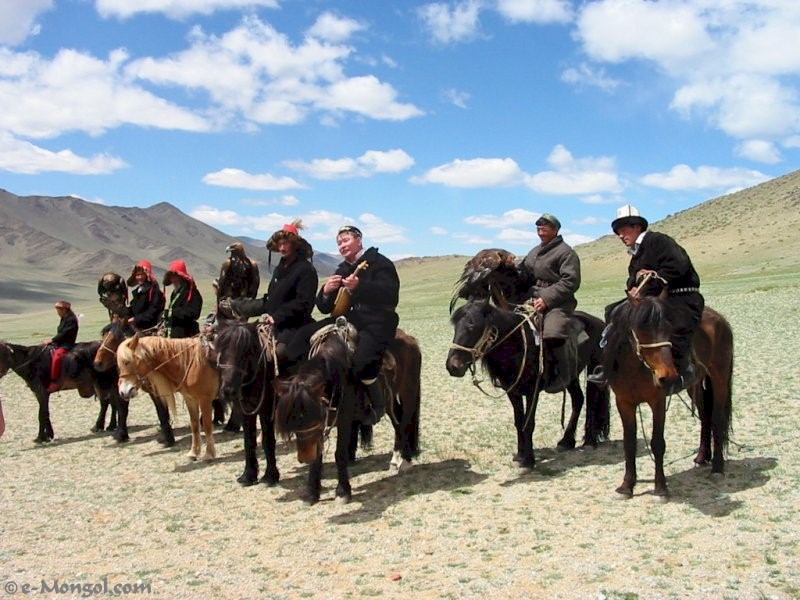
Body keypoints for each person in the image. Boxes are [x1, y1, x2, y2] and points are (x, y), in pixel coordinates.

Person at [286, 225, 400, 424]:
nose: (342, 246)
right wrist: (326, 292)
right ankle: (303, 392)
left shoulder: (380, 263)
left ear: (359, 239)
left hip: (378, 319)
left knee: (363, 362)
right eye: (339, 243)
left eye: (346, 240)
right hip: (348, 318)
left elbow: (390, 295)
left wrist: (360, 287)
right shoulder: (342, 269)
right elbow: (325, 307)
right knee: (302, 337)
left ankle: (377, 405)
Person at [587, 205, 704, 392]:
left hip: (680, 295)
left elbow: (678, 264)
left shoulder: (658, 241)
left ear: (637, 227)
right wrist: (634, 286)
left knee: (671, 325)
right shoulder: (635, 255)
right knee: (613, 311)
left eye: (623, 229)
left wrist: (655, 275)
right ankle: (609, 366)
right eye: (618, 232)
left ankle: (684, 368)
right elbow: (633, 278)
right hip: (654, 300)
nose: (620, 235)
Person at [222, 221, 318, 358]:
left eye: (286, 243)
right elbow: (270, 301)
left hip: (295, 325)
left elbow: (304, 303)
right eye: (280, 244)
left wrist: (277, 316)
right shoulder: (280, 269)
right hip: (275, 324)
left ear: (295, 245)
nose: (282, 248)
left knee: (280, 353)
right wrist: (237, 305)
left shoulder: (306, 269)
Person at [517, 213, 581, 392]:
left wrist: (546, 299)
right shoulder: (534, 252)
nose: (541, 229)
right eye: (538, 227)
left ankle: (560, 375)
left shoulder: (566, 252)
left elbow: (570, 281)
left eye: (545, 227)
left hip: (558, 302)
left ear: (556, 230)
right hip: (531, 299)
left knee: (553, 331)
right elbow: (523, 273)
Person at [44, 300, 79, 392]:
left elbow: (64, 333)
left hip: (67, 344)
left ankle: (55, 382)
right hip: (60, 343)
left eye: (59, 310)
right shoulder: (64, 318)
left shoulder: (71, 319)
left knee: (57, 357)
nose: (58, 312)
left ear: (65, 310)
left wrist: (52, 340)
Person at [162, 259, 203, 338]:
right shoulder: (175, 293)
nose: (173, 280)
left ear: (181, 277)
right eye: (171, 277)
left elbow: (194, 313)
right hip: (173, 335)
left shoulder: (193, 293)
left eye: (175, 276)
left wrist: (172, 312)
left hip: (186, 335)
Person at [125, 260, 165, 332]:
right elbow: (134, 309)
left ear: (147, 275)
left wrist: (136, 319)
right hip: (136, 326)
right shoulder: (138, 291)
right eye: (137, 275)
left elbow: (153, 312)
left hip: (150, 328)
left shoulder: (155, 292)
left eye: (142, 274)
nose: (139, 277)